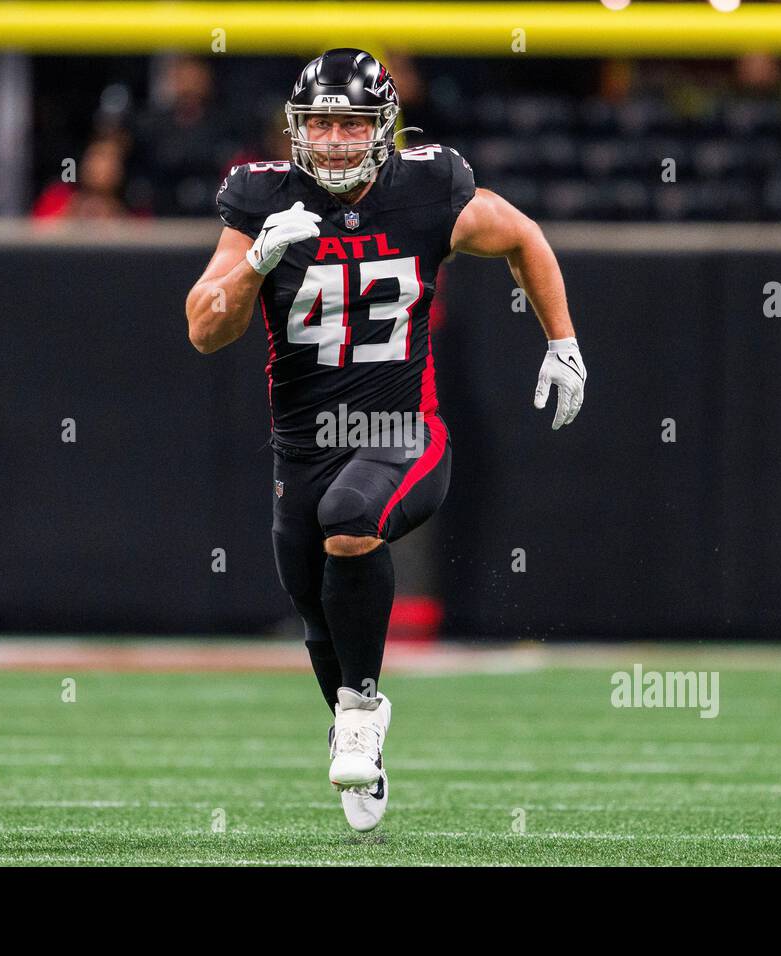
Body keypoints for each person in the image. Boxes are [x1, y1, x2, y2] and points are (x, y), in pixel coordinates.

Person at [185, 50, 585, 832]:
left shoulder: (429, 187)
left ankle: (364, 707)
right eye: (320, 123)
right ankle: (353, 714)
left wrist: (561, 340)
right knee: (314, 610)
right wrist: (258, 259)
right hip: (301, 445)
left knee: (350, 517)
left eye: (350, 122)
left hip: (405, 431)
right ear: (297, 130)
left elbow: (521, 235)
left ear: (383, 130)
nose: (333, 139)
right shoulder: (261, 198)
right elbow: (205, 328)